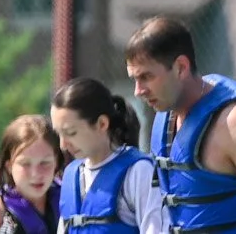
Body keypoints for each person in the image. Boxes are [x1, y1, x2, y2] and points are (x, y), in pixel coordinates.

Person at [126, 16, 236, 234]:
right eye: (134, 79)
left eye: (146, 77)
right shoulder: (164, 119)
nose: (138, 91)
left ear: (181, 67)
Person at [50, 76, 165, 234]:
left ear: (102, 124)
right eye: (59, 134)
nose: (63, 145)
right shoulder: (71, 175)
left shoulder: (138, 171)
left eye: (71, 133)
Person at [0, 116, 63, 234]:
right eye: (25, 163)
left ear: (56, 162)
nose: (36, 174)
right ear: (9, 166)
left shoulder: (68, 199)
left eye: (44, 163)